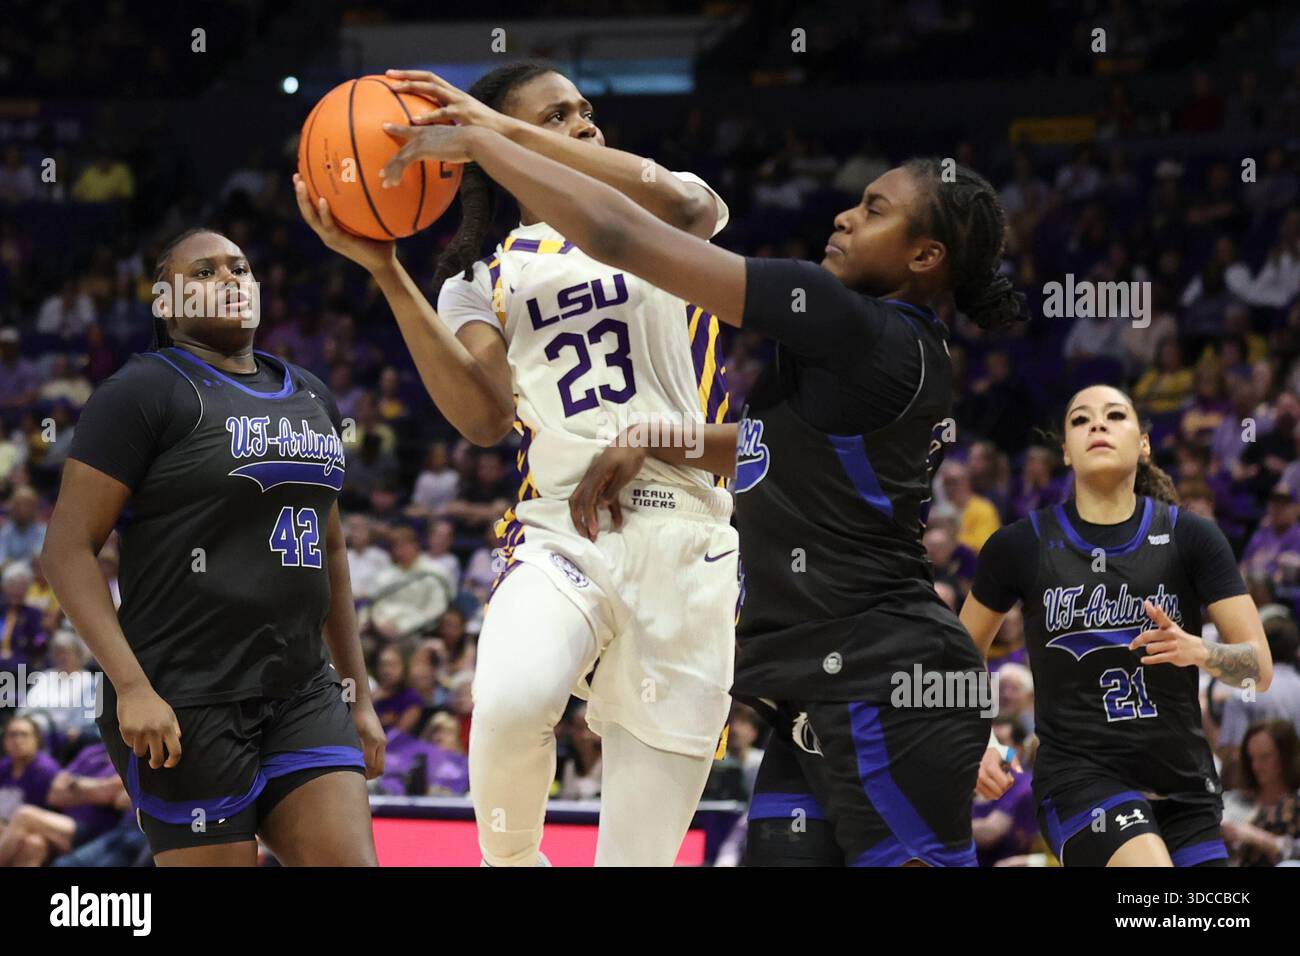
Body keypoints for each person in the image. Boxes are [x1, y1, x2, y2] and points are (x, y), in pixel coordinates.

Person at [388, 111, 1042, 865]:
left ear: (926, 256)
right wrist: (657, 437)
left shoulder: (843, 320)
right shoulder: (867, 356)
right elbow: (774, 449)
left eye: (874, 210)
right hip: (811, 694)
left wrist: (483, 140)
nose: (844, 214)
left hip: (883, 681)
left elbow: (624, 238)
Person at [298, 61, 738, 867]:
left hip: (687, 540)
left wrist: (497, 130)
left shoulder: (665, 206)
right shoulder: (481, 276)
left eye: (583, 112)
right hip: (562, 527)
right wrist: (388, 271)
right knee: (506, 704)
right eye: (557, 115)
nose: (584, 125)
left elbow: (682, 205)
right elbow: (483, 417)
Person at [40, 229, 384, 866]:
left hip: (301, 689)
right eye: (204, 271)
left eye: (241, 267)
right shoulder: (142, 392)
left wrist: (356, 694)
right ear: (166, 303)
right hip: (183, 696)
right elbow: (67, 550)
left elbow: (331, 552)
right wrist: (133, 687)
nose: (230, 279)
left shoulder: (311, 394)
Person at [961, 384, 1272, 866]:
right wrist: (979, 737)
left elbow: (1259, 668)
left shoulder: (1193, 538)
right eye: (1080, 420)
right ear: (1065, 450)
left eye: (1114, 416)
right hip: (1081, 780)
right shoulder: (1021, 545)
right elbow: (957, 652)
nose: (1097, 426)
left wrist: (1200, 651)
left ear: (1144, 442)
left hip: (1185, 788)